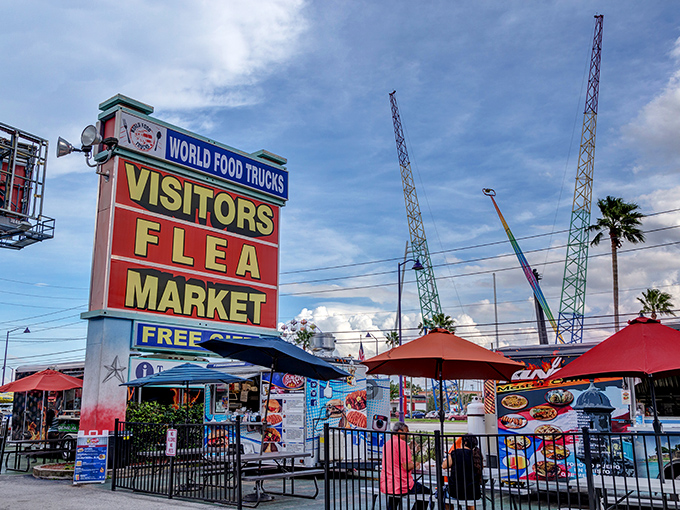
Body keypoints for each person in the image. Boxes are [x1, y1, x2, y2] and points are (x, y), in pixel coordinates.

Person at [380, 421, 431, 510]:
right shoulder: (402, 444)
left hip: (388, 482)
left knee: (393, 500)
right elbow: (406, 466)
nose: (407, 434)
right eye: (406, 432)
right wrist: (416, 464)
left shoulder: (387, 444)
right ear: (400, 431)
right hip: (401, 483)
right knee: (426, 492)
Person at [441, 434, 483, 510]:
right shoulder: (477, 455)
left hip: (455, 491)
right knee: (470, 501)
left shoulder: (456, 453)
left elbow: (444, 465)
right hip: (473, 492)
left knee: (444, 496)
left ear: (465, 442)